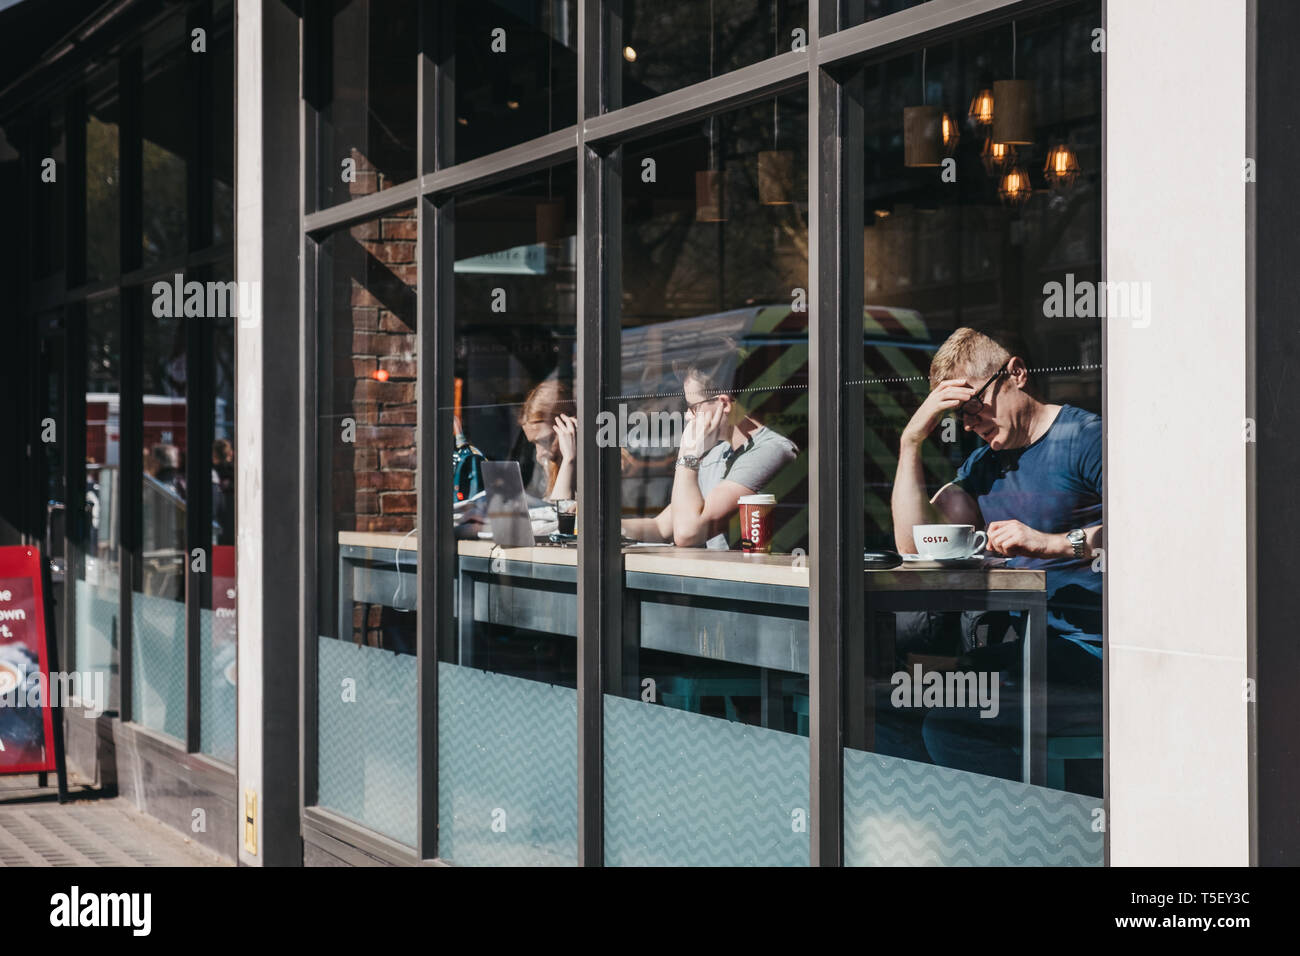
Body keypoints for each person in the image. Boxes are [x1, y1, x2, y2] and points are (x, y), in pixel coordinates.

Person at [889, 327, 1103, 789]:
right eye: (958, 414)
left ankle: (1030, 833)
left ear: (1016, 374)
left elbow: (1150, 531)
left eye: (974, 406)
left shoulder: (1086, 439)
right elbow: (913, 544)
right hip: (1025, 649)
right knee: (896, 710)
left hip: (1092, 654)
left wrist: (1051, 543)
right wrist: (911, 441)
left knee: (950, 727)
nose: (968, 423)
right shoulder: (986, 464)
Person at [623, 356, 798, 549]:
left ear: (723, 403)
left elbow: (687, 533)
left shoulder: (771, 450)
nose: (688, 416)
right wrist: (597, 528)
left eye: (693, 407)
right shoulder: (718, 453)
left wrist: (687, 457)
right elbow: (660, 527)